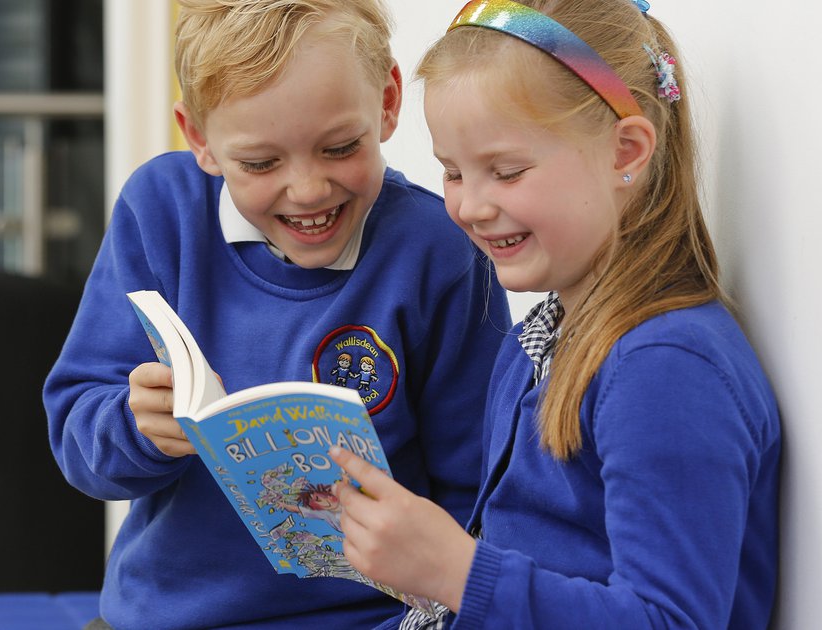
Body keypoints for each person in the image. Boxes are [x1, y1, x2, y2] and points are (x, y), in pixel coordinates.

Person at [43, 0, 511, 628]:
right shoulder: (162, 210)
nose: (309, 190)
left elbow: (481, 490)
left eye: (340, 147)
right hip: (160, 617)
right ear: (199, 139)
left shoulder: (442, 251)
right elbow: (77, 435)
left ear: (389, 101)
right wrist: (136, 427)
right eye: (261, 163)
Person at [329, 1, 782, 628]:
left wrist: (455, 569)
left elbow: (668, 620)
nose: (470, 207)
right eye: (453, 173)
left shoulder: (666, 369)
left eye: (506, 172)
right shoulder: (532, 347)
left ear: (626, 151)